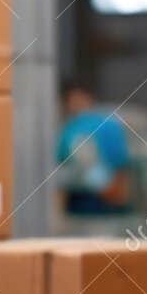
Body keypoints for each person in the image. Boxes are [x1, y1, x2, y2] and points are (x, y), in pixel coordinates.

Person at [55, 81, 133, 214]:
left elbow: (121, 171)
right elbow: (61, 168)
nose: (76, 105)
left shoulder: (109, 126)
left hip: (105, 201)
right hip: (78, 202)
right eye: (72, 101)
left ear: (89, 99)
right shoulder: (68, 130)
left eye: (79, 99)